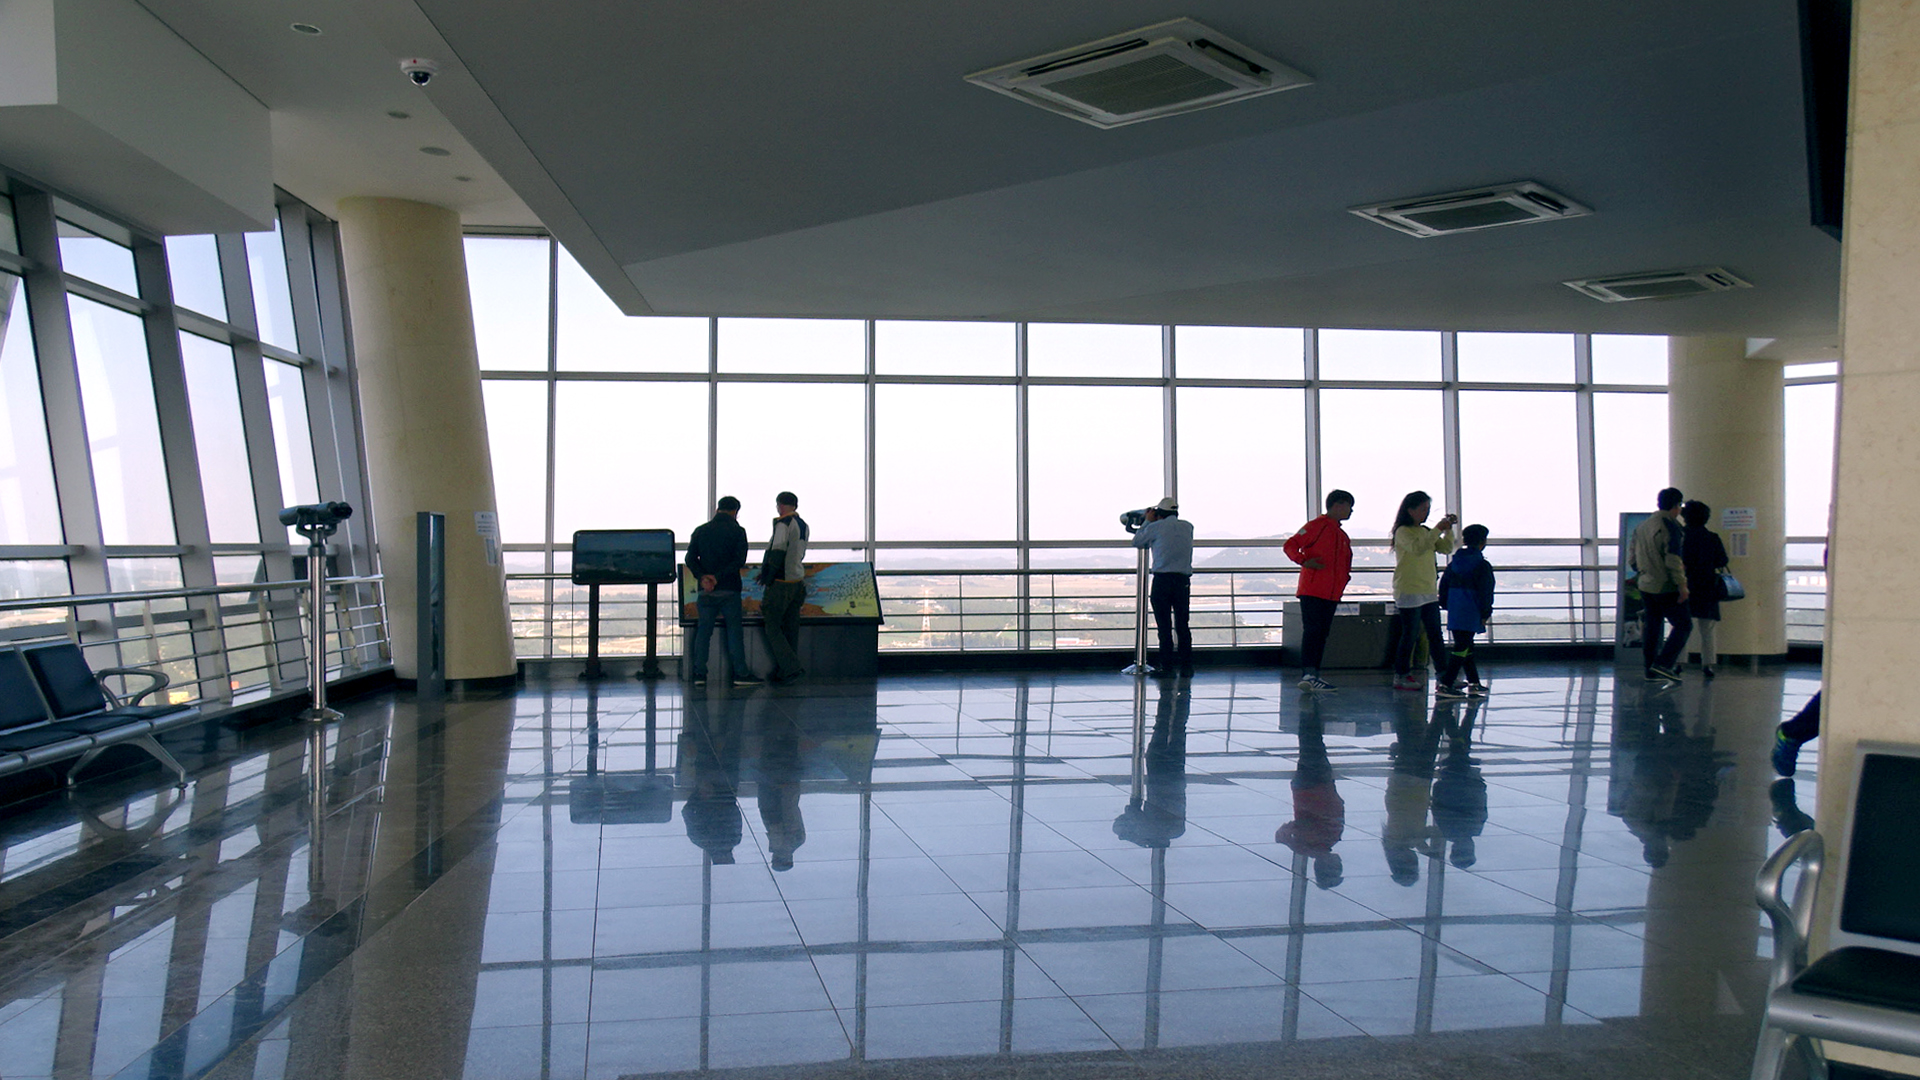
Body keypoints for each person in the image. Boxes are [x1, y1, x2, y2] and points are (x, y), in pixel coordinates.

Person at [685, 496, 761, 688]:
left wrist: (703, 577)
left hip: (706, 591)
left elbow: (690, 558)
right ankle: (740, 674)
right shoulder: (738, 531)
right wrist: (717, 577)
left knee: (703, 632)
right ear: (735, 512)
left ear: (717, 509)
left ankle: (699, 675)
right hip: (729, 589)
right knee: (734, 632)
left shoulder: (701, 530)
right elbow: (739, 561)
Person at [1284, 490, 1355, 692]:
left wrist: (1343, 582)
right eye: (1348, 506)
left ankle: (1313, 674)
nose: (1351, 511)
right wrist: (1303, 560)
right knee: (1313, 631)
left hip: (1331, 593)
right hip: (1313, 590)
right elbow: (1290, 545)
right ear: (1337, 505)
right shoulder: (1316, 526)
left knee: (1321, 633)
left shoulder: (1341, 535)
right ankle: (1309, 674)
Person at [1390, 491, 1457, 692]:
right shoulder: (1403, 532)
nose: (1425, 513)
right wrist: (1438, 529)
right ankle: (1401, 674)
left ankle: (1444, 675)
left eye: (1427, 509)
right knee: (1409, 634)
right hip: (1409, 590)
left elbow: (1445, 548)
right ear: (1409, 510)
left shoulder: (1426, 531)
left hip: (1428, 590)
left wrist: (1448, 530)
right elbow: (1418, 548)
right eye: (1422, 509)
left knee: (1435, 634)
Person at [1630, 487, 1691, 682]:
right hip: (1665, 586)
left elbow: (1632, 559)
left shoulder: (1642, 526)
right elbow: (1673, 559)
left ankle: (1650, 670)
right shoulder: (1670, 526)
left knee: (1652, 627)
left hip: (1645, 585)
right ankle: (1663, 664)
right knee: (1684, 625)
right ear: (1676, 505)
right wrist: (1682, 585)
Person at [1129, 497, 1195, 674]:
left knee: (1164, 625)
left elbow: (1137, 542)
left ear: (1159, 513)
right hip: (1183, 581)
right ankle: (1187, 666)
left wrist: (1147, 522)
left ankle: (1166, 666)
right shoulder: (1188, 527)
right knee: (1182, 625)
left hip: (1162, 580)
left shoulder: (1155, 527)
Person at [1434, 524, 1496, 700]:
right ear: (1483, 542)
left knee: (1466, 644)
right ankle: (1446, 684)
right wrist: (1485, 613)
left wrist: (1446, 604)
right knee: (1462, 647)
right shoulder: (1482, 565)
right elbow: (1486, 591)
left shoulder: (1454, 563)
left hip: (1456, 607)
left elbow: (1443, 586)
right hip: (1472, 609)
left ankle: (1473, 682)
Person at [758, 492, 809, 684]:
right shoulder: (803, 525)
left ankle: (791, 667)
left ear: (780, 505)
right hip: (798, 581)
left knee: (772, 625)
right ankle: (786, 670)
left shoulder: (783, 524)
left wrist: (767, 576)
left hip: (781, 582)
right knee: (791, 627)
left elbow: (777, 551)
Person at [1679, 500, 1731, 678]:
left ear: (1685, 517)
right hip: (1708, 586)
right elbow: (1722, 561)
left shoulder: (1680, 537)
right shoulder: (1712, 537)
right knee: (1707, 629)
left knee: (1681, 626)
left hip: (1684, 585)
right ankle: (1708, 664)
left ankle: (1678, 663)